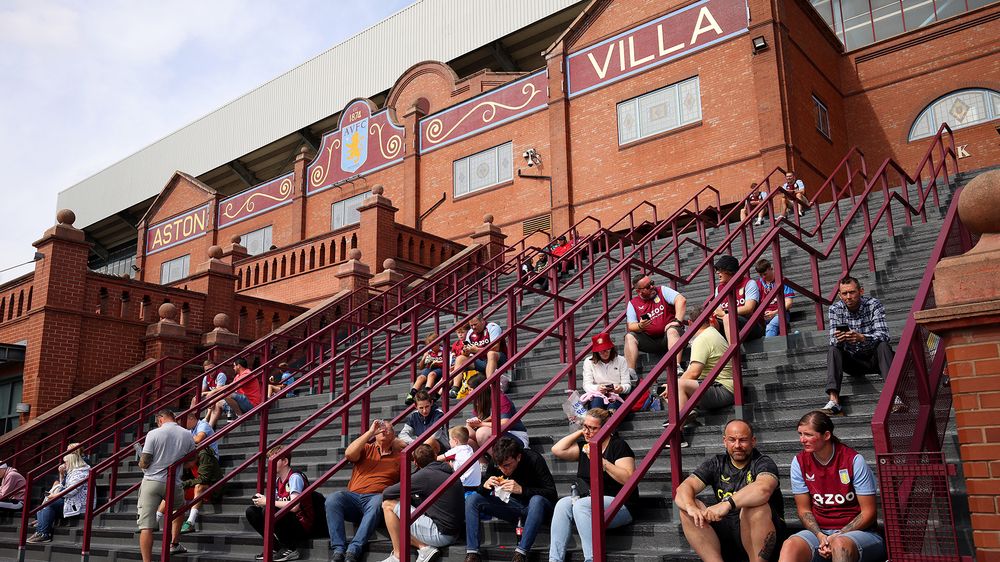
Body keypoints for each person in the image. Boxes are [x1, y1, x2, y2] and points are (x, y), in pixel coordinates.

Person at [779, 411, 885, 562]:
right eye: (800, 434)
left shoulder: (853, 460)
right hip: (820, 533)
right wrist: (820, 536)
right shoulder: (799, 462)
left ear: (826, 435)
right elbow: (803, 510)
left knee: (839, 544)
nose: (802, 440)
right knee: (790, 545)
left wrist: (837, 535)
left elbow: (869, 512)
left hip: (859, 533)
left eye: (808, 435)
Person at [675, 419, 784, 562]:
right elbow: (683, 488)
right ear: (725, 441)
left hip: (763, 534)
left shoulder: (763, 463)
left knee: (755, 507)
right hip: (728, 531)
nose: (737, 445)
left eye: (743, 440)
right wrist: (691, 507)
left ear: (753, 441)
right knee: (687, 509)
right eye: (732, 440)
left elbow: (763, 489)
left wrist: (727, 504)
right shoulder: (716, 463)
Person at [549, 408, 637, 562]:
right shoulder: (585, 447)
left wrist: (602, 462)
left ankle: (592, 559)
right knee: (562, 504)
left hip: (620, 504)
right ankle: (555, 559)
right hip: (590, 503)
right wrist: (581, 432)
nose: (587, 431)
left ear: (606, 428)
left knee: (581, 505)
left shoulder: (618, 446)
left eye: (593, 428)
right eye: (585, 426)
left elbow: (628, 479)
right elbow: (557, 449)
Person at [465, 436, 557, 562]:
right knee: (473, 499)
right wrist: (485, 486)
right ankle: (473, 553)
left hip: (538, 508)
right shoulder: (496, 462)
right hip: (513, 506)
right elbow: (482, 490)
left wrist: (522, 490)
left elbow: (552, 493)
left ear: (518, 457)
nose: (503, 470)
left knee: (536, 500)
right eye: (499, 466)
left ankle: (521, 553)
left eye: (507, 465)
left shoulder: (534, 459)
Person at [325, 419, 402, 562]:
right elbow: (349, 454)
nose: (383, 431)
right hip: (354, 497)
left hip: (376, 499)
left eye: (388, 429)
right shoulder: (366, 448)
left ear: (393, 436)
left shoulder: (399, 458)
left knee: (379, 500)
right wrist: (370, 432)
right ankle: (338, 549)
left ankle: (353, 550)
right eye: (380, 429)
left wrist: (401, 444)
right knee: (333, 498)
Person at [659, 305, 735, 444]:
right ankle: (688, 414)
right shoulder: (712, 333)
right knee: (670, 386)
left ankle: (677, 436)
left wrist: (672, 387)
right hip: (718, 385)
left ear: (690, 323)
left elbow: (694, 372)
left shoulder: (702, 339)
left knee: (676, 386)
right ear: (710, 320)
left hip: (724, 388)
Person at [380, 444, 464, 562]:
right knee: (400, 520)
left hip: (440, 534)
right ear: (435, 456)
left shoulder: (425, 475)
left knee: (388, 504)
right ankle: (423, 547)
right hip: (454, 533)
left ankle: (399, 555)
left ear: (415, 463)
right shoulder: (450, 471)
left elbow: (387, 493)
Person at [822, 276, 893, 415]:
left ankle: (894, 395)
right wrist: (840, 339)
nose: (848, 297)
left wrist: (862, 338)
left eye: (852, 292)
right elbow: (832, 340)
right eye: (844, 293)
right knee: (833, 349)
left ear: (861, 291)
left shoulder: (874, 304)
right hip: (853, 361)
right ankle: (834, 400)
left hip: (875, 359)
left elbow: (884, 335)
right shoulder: (835, 309)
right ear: (840, 295)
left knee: (884, 346)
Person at [137, 409, 195, 560]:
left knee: (146, 526)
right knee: (180, 509)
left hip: (152, 480)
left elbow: (145, 461)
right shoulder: (187, 434)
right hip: (174, 481)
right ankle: (174, 543)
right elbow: (191, 462)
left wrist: (141, 463)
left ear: (160, 419)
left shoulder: (153, 433)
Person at [246, 446, 315, 562]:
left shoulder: (295, 477)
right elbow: (276, 503)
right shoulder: (277, 481)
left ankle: (291, 549)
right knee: (252, 511)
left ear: (285, 461)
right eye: (269, 460)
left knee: (271, 509)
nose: (270, 463)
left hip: (302, 524)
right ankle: (275, 548)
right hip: (288, 521)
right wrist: (262, 501)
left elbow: (294, 506)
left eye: (274, 460)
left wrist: (268, 502)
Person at [624, 274, 687, 377]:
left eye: (652, 283)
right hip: (651, 341)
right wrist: (640, 326)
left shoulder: (662, 290)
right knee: (629, 337)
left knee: (672, 330)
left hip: (671, 336)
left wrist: (677, 321)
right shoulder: (633, 303)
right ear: (639, 291)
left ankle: (676, 366)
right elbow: (631, 325)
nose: (652, 286)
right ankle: (631, 373)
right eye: (648, 286)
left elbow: (681, 300)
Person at [26, 444, 90, 543]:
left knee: (49, 503)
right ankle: (40, 532)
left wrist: (54, 496)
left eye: (66, 462)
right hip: (70, 499)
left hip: (78, 503)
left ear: (72, 460)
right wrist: (62, 474)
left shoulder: (81, 473)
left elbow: (70, 491)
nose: (65, 464)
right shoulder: (73, 471)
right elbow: (63, 485)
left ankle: (44, 534)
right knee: (44, 505)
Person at [175, 411, 223, 534]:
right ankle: (157, 518)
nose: (182, 426)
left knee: (197, 486)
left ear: (191, 418)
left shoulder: (203, 425)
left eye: (183, 423)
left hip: (210, 461)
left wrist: (182, 438)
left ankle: (190, 522)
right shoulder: (190, 431)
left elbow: (198, 439)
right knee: (174, 486)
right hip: (198, 460)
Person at [465, 374, 529, 449]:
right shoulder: (479, 402)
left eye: (470, 389)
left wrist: (481, 424)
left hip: (515, 434)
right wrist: (471, 424)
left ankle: (497, 457)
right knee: (465, 435)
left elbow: (504, 424)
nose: (468, 393)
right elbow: (474, 422)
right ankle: (483, 457)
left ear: (479, 389)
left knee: (482, 432)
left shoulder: (499, 398)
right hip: (494, 434)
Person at [712, 255, 764, 342]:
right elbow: (717, 311)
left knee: (728, 317)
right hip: (728, 323)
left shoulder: (749, 283)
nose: (717, 273)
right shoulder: (719, 288)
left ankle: (733, 350)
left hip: (751, 325)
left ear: (730, 271)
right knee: (710, 322)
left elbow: (749, 308)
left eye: (720, 270)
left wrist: (725, 312)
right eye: (717, 270)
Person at [581, 332, 631, 411]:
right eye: (601, 351)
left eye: (607, 349)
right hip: (597, 394)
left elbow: (627, 385)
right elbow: (586, 385)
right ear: (596, 352)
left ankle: (611, 417)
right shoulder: (588, 362)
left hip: (616, 394)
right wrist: (597, 388)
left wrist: (621, 388)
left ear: (611, 348)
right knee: (597, 404)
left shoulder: (621, 360)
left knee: (613, 406)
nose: (604, 353)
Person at [207, 357, 262, 426]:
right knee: (219, 403)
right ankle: (210, 426)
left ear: (238, 366)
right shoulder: (238, 376)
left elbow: (230, 387)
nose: (233, 368)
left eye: (234, 366)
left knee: (227, 395)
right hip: (242, 402)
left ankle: (240, 416)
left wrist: (213, 393)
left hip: (251, 404)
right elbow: (230, 387)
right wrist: (214, 399)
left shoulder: (247, 374)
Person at [461, 315, 509, 391]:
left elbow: (496, 348)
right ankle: (454, 389)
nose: (473, 327)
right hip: (481, 361)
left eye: (475, 324)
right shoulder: (470, 332)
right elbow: (466, 351)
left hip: (498, 359)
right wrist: (465, 351)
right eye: (471, 325)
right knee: (460, 359)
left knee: (491, 354)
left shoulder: (492, 327)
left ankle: (490, 384)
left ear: (482, 321)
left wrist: (477, 350)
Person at [399, 391, 450, 455]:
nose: (424, 411)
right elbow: (402, 434)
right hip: (419, 446)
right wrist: (413, 443)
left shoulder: (438, 414)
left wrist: (418, 446)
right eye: (421, 408)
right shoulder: (414, 416)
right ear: (416, 406)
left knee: (430, 441)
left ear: (431, 403)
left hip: (440, 447)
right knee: (398, 443)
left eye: (427, 406)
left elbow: (435, 436)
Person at [754, 259, 795, 337]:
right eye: (760, 275)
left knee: (771, 327)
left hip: (780, 313)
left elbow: (789, 303)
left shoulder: (782, 280)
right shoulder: (758, 283)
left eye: (765, 274)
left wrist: (774, 313)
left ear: (770, 269)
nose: (763, 277)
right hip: (763, 316)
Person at [438, 426, 480, 491]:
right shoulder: (469, 448)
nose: (449, 441)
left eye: (450, 439)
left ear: (455, 441)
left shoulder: (456, 451)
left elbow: (437, 458)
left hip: (464, 485)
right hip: (476, 484)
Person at [407, 334, 444, 404]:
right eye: (430, 345)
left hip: (440, 368)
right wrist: (424, 358)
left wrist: (438, 362)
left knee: (431, 375)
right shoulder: (429, 352)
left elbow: (449, 362)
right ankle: (411, 394)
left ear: (438, 343)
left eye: (433, 345)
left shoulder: (443, 350)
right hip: (429, 368)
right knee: (420, 377)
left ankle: (428, 393)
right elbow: (420, 367)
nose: (431, 347)